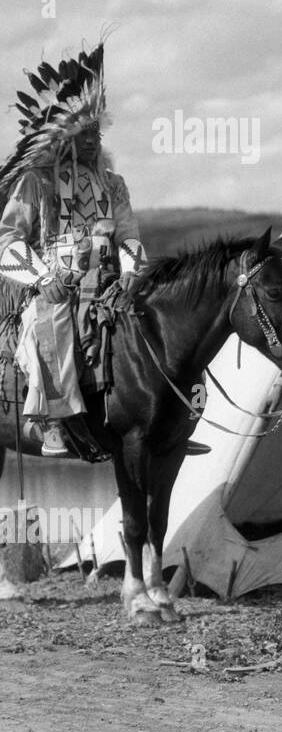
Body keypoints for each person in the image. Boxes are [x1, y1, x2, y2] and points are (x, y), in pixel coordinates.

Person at [0, 42, 146, 457]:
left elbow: (129, 236)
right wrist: (42, 279)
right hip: (55, 286)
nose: (92, 140)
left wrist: (133, 271)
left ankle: (165, 418)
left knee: (161, 316)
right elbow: (7, 241)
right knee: (52, 321)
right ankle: (55, 422)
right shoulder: (36, 183)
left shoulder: (113, 185)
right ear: (62, 137)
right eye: (83, 133)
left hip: (111, 281)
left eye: (96, 132)